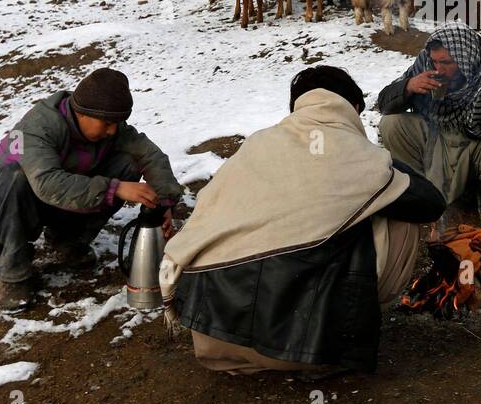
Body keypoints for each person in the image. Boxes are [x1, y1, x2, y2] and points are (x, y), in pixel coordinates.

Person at [161, 66, 446, 375]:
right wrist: (382, 160)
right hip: (305, 350)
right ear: (352, 109)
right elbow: (430, 203)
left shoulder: (256, 145)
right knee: (395, 209)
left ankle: (244, 353)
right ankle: (332, 346)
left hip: (214, 337)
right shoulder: (358, 156)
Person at [0, 68, 182, 309]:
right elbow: (47, 184)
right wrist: (115, 188)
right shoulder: (39, 126)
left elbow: (151, 156)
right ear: (82, 112)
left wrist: (164, 203)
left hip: (51, 197)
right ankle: (12, 274)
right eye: (107, 123)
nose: (112, 130)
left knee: (127, 162)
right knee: (15, 175)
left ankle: (68, 240)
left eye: (118, 123)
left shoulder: (110, 126)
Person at [376, 23, 481, 235]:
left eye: (446, 62)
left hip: (476, 144)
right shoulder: (424, 67)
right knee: (392, 123)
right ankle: (418, 187)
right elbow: (384, 104)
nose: (438, 69)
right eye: (434, 61)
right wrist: (408, 87)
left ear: (465, 58)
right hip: (438, 140)